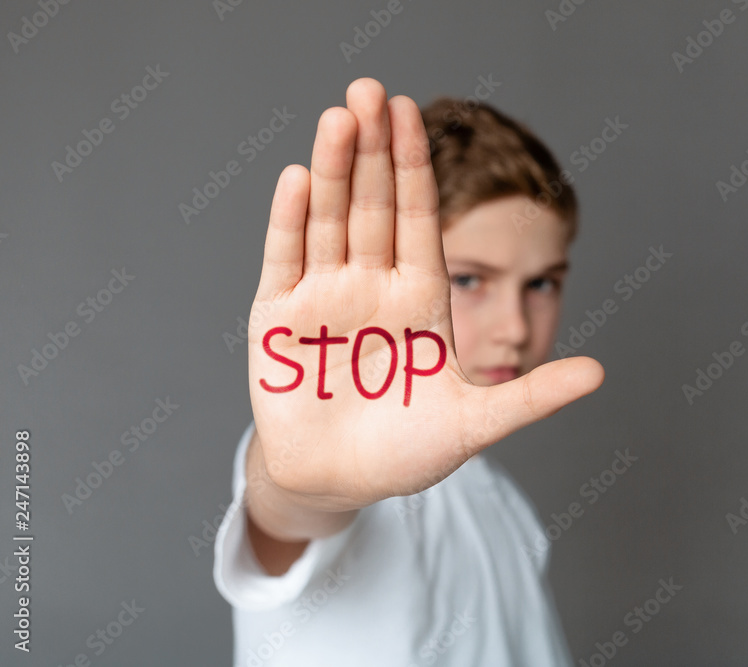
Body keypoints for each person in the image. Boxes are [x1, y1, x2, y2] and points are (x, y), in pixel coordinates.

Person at [212, 77, 605, 666]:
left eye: (541, 284)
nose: (516, 328)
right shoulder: (353, 458)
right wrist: (305, 485)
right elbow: (288, 514)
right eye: (469, 279)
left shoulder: (498, 499)